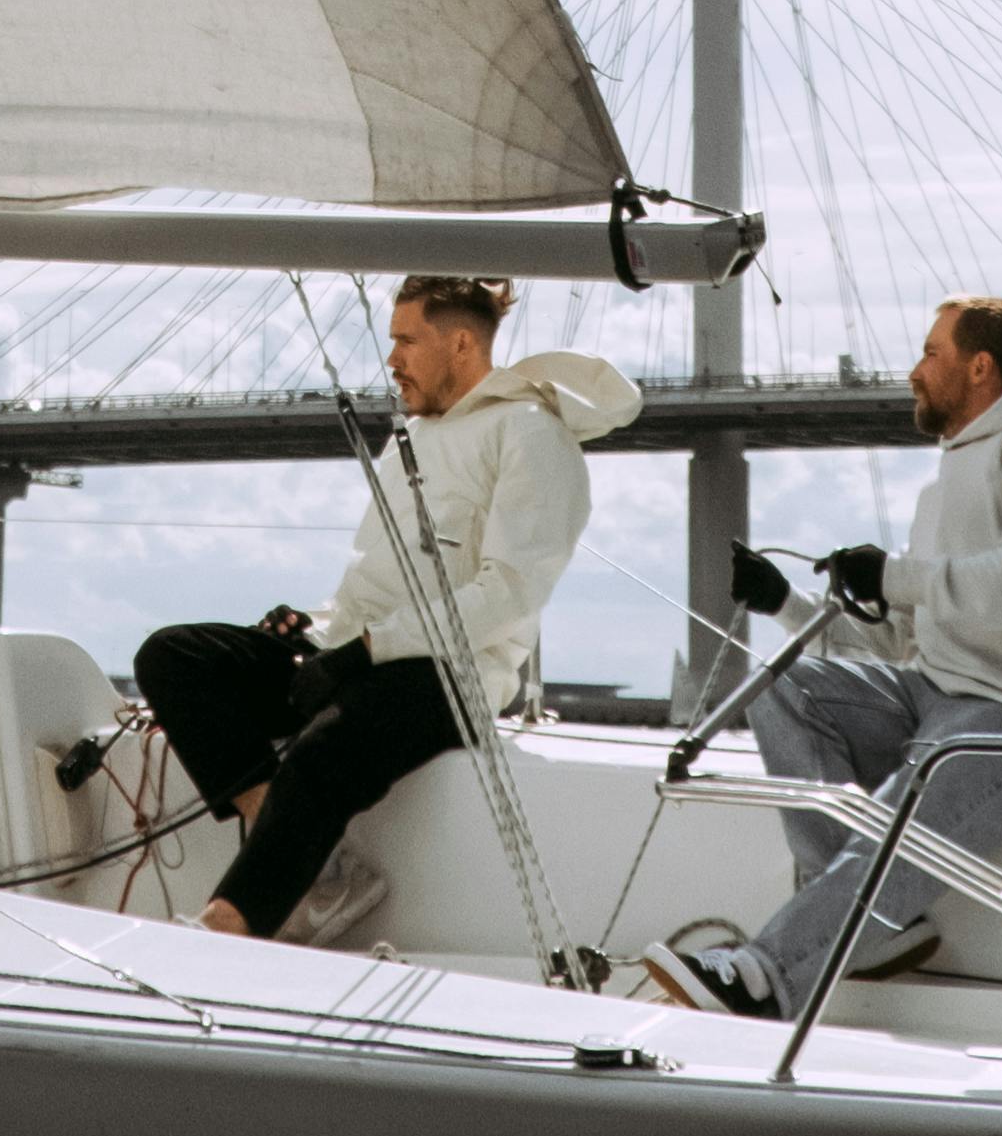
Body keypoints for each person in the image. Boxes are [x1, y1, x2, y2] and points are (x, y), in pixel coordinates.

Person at [135, 277, 639, 940]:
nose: (392, 359)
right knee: (176, 657)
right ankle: (320, 870)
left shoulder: (531, 434)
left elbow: (508, 593)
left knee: (326, 745)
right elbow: (382, 583)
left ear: (461, 344)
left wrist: (368, 648)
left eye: (407, 340)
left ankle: (228, 924)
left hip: (452, 674)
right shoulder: (415, 435)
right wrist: (317, 626)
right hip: (356, 651)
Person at [683, 292, 1002, 1022]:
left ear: (980, 366)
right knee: (786, 688)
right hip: (935, 694)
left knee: (923, 780)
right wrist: (785, 601)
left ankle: (768, 973)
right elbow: (901, 641)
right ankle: (876, 931)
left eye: (930, 352)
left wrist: (892, 574)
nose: (914, 371)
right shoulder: (941, 486)